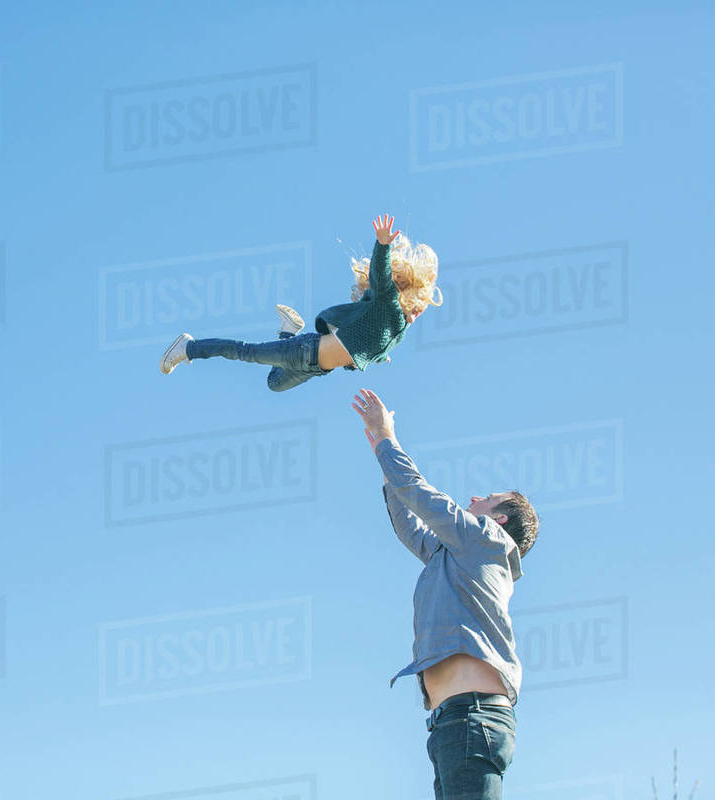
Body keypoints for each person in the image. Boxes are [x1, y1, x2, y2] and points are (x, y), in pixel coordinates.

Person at [351, 388, 539, 800]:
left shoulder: (488, 539)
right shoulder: (456, 554)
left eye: (487, 499)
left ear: (500, 517)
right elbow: (409, 527)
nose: (474, 499)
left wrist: (387, 438)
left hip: (474, 717)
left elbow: (421, 495)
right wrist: (389, 470)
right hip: (452, 720)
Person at [159, 215, 441, 391]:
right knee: (245, 352)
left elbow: (375, 354)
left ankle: (288, 328)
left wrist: (381, 356)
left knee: (274, 384)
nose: (416, 314)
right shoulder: (387, 304)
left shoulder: (396, 335)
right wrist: (382, 245)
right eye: (416, 307)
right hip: (306, 349)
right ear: (407, 298)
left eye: (421, 311)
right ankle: (189, 347)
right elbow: (381, 276)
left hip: (315, 368)